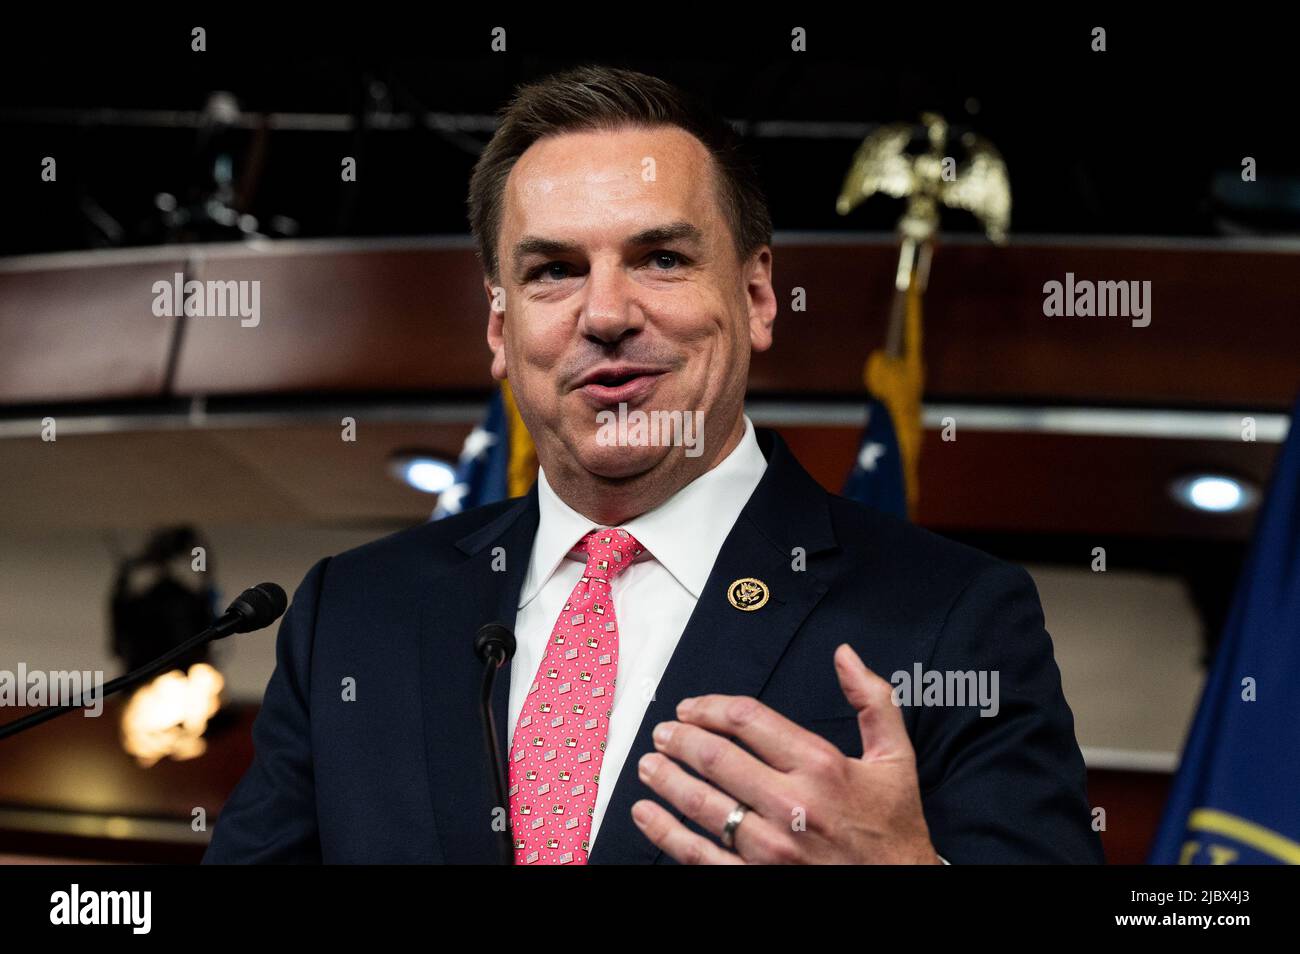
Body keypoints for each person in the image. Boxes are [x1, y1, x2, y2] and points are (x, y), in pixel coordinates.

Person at [203, 65, 1103, 865]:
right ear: (499, 330)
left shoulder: (952, 618)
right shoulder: (353, 617)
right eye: (554, 270)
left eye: (662, 258)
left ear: (756, 297)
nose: (605, 313)